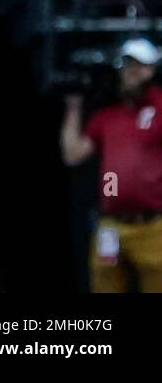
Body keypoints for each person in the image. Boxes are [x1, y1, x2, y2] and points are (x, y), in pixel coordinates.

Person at [62, 38, 162, 292]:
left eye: (142, 66)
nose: (134, 72)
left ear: (152, 71)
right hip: (112, 225)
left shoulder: (158, 110)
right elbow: (73, 154)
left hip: (152, 225)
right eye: (129, 65)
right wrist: (73, 108)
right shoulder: (106, 118)